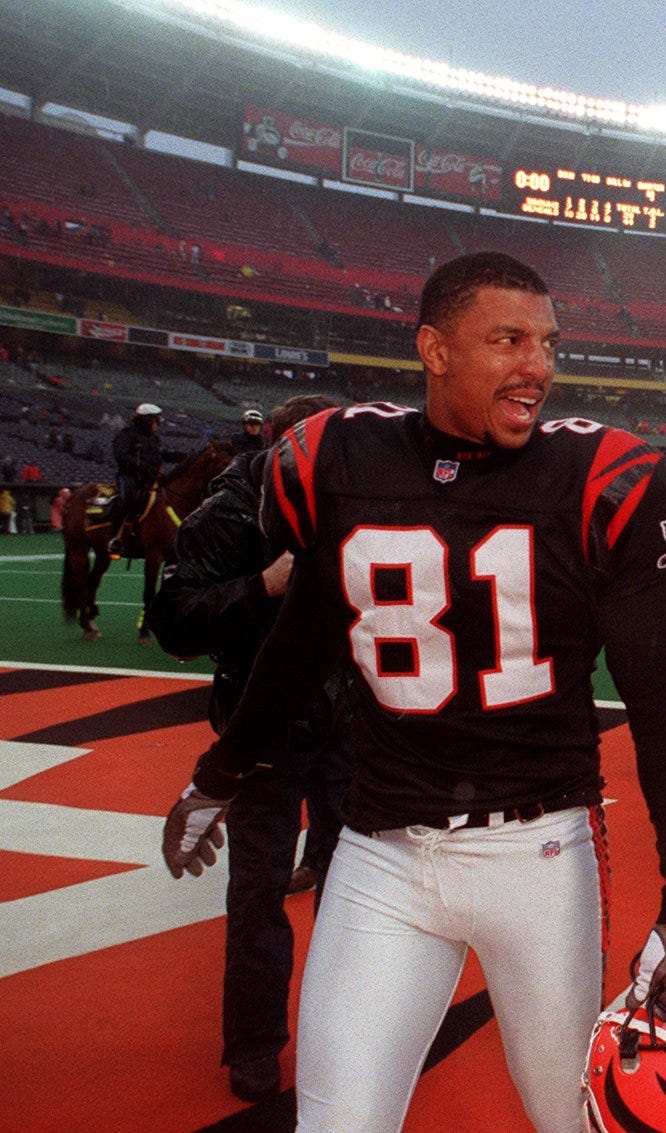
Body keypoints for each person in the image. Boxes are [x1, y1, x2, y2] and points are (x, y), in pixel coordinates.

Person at [159, 252, 666, 1132]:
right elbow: (303, 641)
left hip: (537, 853)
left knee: (571, 1120)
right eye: (508, 339)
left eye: (546, 342)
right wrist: (221, 772)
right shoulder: (339, 458)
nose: (537, 364)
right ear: (434, 348)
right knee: (336, 1122)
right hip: (383, 853)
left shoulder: (593, 477)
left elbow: (656, 709)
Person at [146, 393, 351, 1103]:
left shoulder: (357, 499)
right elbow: (170, 620)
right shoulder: (226, 510)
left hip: (351, 728)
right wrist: (260, 587)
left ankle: (353, 1031)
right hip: (263, 732)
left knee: (361, 890)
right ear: (277, 449)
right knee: (258, 891)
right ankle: (256, 1042)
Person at [109, 402, 163, 554]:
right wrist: (142, 465)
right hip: (129, 477)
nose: (158, 423)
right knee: (126, 500)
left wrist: (184, 457)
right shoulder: (126, 435)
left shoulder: (153, 439)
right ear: (147, 420)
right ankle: (115, 538)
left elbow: (161, 455)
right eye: (156, 420)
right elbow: (121, 455)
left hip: (149, 478)